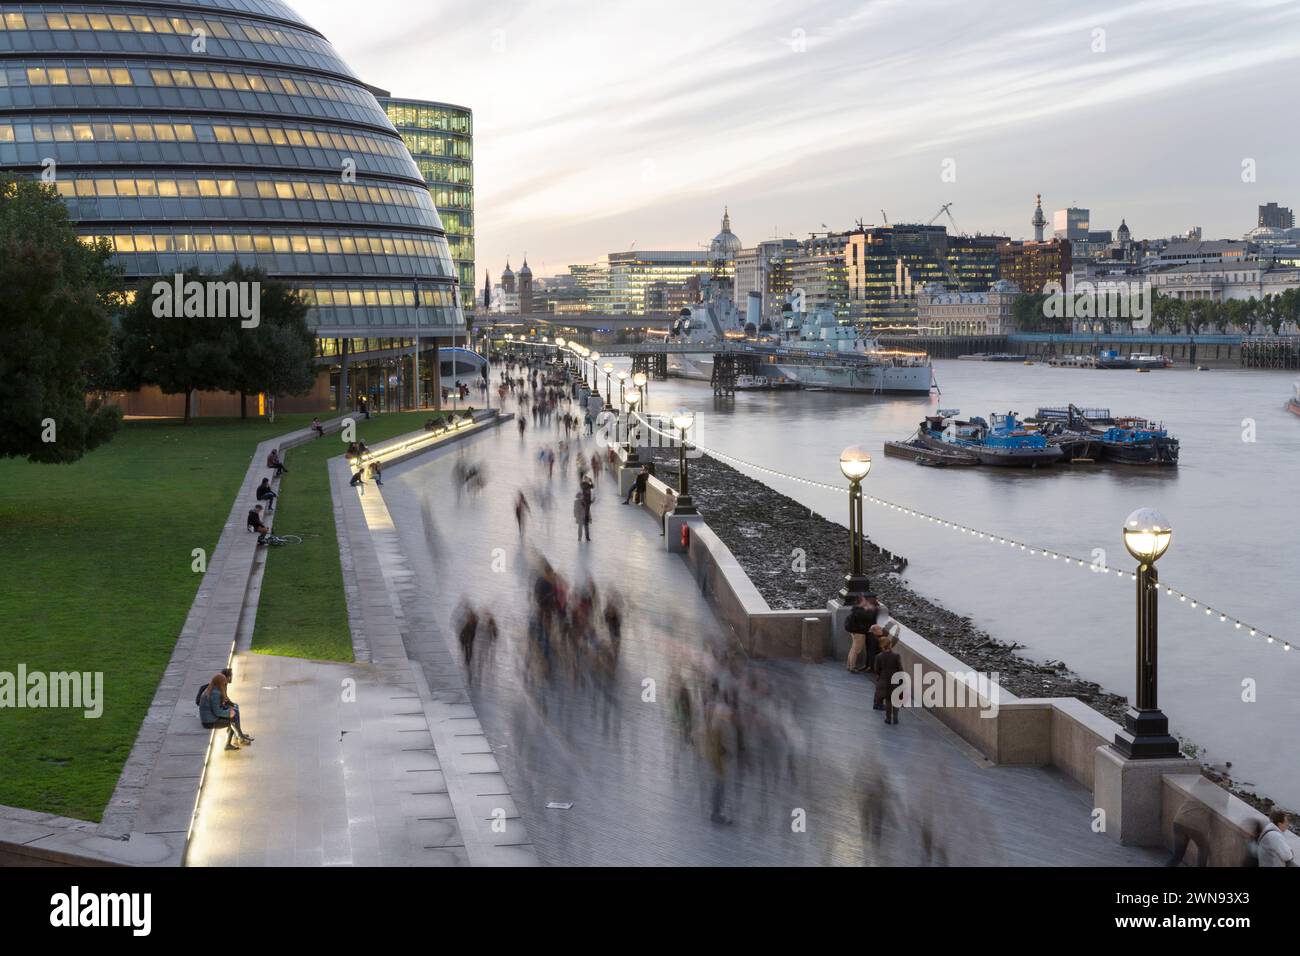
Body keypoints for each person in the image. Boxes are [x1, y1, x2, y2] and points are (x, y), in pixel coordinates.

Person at [198, 671, 253, 750]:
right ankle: (236, 740)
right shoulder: (215, 693)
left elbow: (217, 706)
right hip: (209, 721)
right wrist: (229, 713)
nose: (225, 683)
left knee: (234, 712)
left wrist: (229, 709)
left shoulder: (213, 688)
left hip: (211, 717)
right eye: (224, 682)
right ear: (219, 682)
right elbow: (217, 712)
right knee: (232, 719)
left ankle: (239, 736)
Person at [873, 634, 903, 724]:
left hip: (884, 681)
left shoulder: (879, 656)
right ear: (890, 645)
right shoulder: (896, 656)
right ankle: (896, 717)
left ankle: (888, 718)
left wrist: (879, 675)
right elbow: (900, 669)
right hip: (895, 681)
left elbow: (876, 670)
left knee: (888, 700)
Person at [844, 593, 877, 673]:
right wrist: (871, 609)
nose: (866, 601)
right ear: (862, 601)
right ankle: (852, 667)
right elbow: (869, 618)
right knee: (856, 650)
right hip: (859, 632)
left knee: (853, 648)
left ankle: (849, 665)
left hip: (854, 631)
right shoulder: (860, 611)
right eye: (864, 599)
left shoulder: (856, 609)